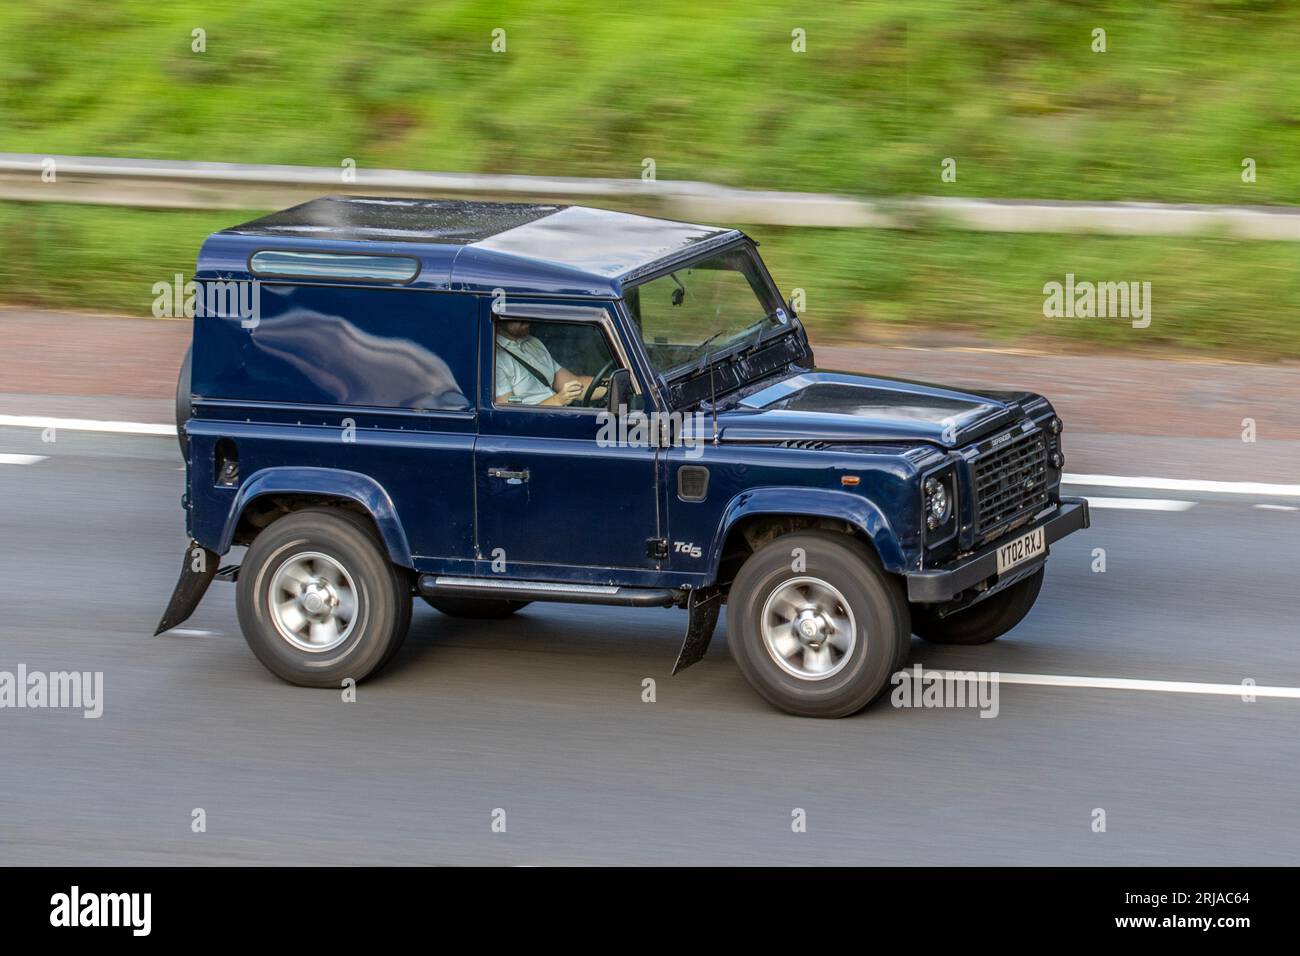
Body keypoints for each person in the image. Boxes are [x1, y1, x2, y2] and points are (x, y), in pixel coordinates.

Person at [494, 320, 606, 406]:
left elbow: (576, 384)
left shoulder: (533, 342)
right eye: (515, 312)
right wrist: (557, 400)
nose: (526, 319)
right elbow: (509, 416)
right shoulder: (495, 358)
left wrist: (615, 384)